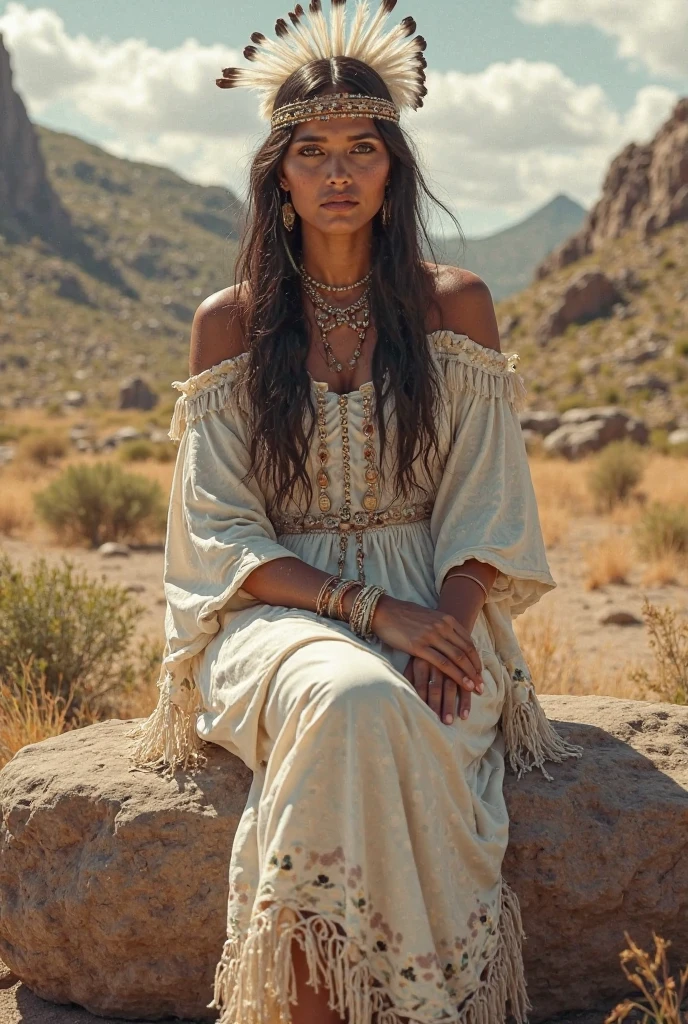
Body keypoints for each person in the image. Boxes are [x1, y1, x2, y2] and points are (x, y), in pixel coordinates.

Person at [128, 2, 583, 1022]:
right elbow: (220, 531)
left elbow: (488, 502)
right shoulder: (230, 322)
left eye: (361, 150)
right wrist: (374, 614)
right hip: (273, 614)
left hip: (436, 598)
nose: (338, 172)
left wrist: (449, 625)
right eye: (313, 152)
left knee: (408, 705)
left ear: (392, 170)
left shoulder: (453, 303)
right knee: (348, 698)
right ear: (279, 178)